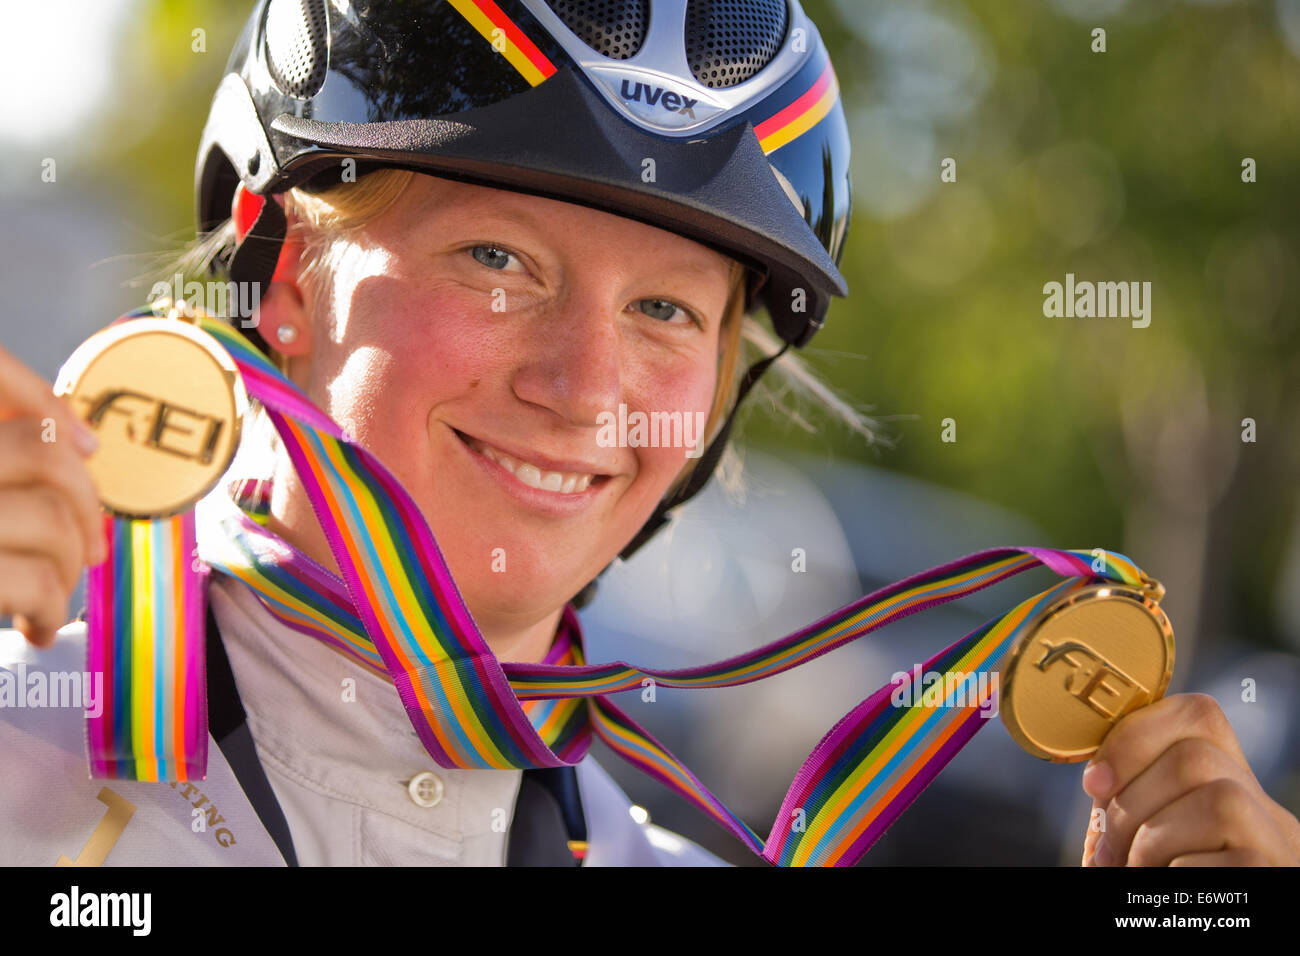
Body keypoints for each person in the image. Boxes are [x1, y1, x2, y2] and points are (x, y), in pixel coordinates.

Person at [2, 0, 1298, 867]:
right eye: (498, 260)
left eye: (669, 308)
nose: (587, 386)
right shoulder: (28, 730)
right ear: (281, 277)